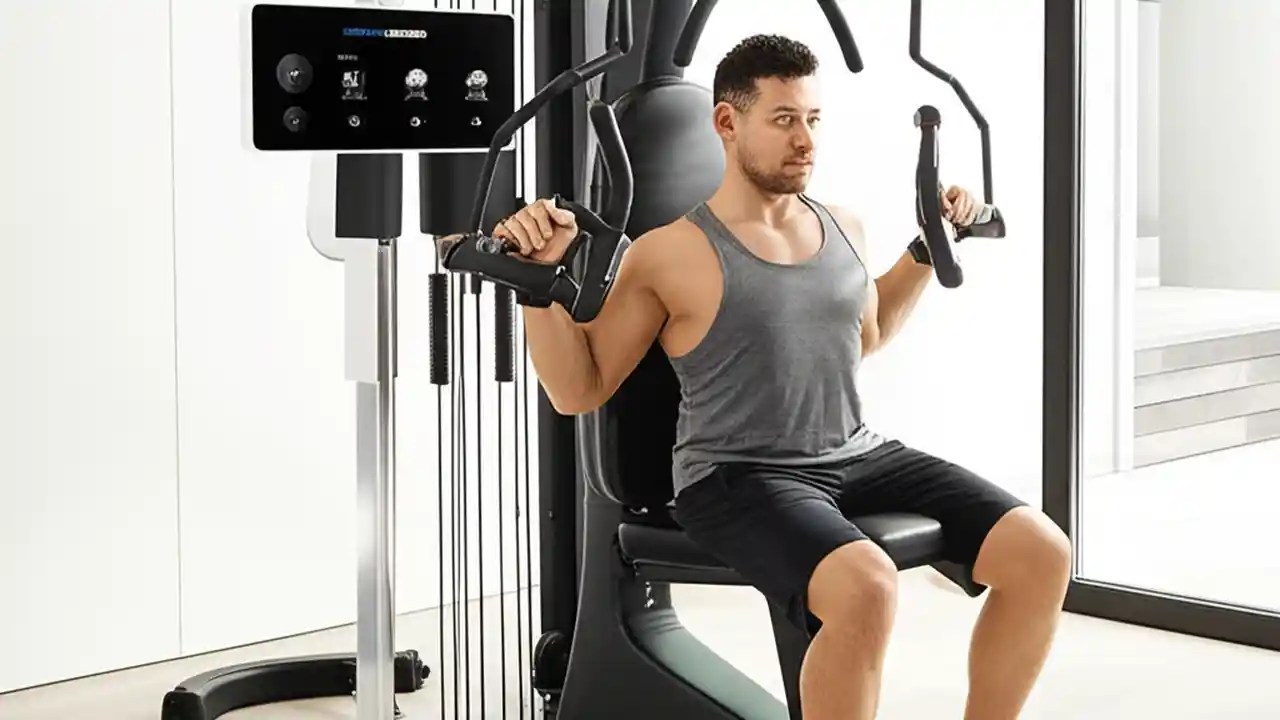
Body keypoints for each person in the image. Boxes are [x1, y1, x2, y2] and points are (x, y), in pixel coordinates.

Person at [488, 34, 1070, 720]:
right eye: (785, 119)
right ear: (728, 124)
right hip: (736, 476)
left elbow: (870, 329)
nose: (806, 141)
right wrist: (536, 291)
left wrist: (926, 247)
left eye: (814, 120)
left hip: (855, 452)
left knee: (1042, 553)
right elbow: (578, 388)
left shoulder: (843, 224)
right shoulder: (671, 252)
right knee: (866, 587)